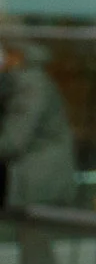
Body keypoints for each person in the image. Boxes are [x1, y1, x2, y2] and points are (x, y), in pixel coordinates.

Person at [0, 42, 77, 213]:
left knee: (34, 234)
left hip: (37, 176)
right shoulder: (16, 81)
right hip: (32, 175)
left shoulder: (30, 85)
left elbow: (13, 141)